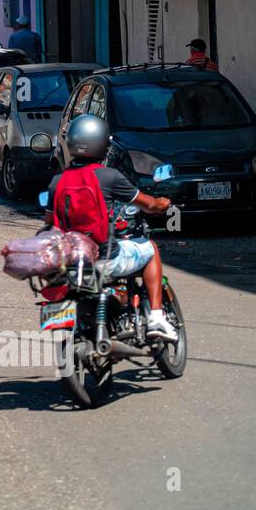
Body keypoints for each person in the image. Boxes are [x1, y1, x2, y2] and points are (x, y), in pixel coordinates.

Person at [43, 114, 177, 342]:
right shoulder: (109, 177)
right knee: (151, 249)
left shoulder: (58, 181)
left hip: (71, 262)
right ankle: (156, 317)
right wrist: (162, 204)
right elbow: (148, 204)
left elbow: (49, 223)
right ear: (102, 143)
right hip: (105, 257)